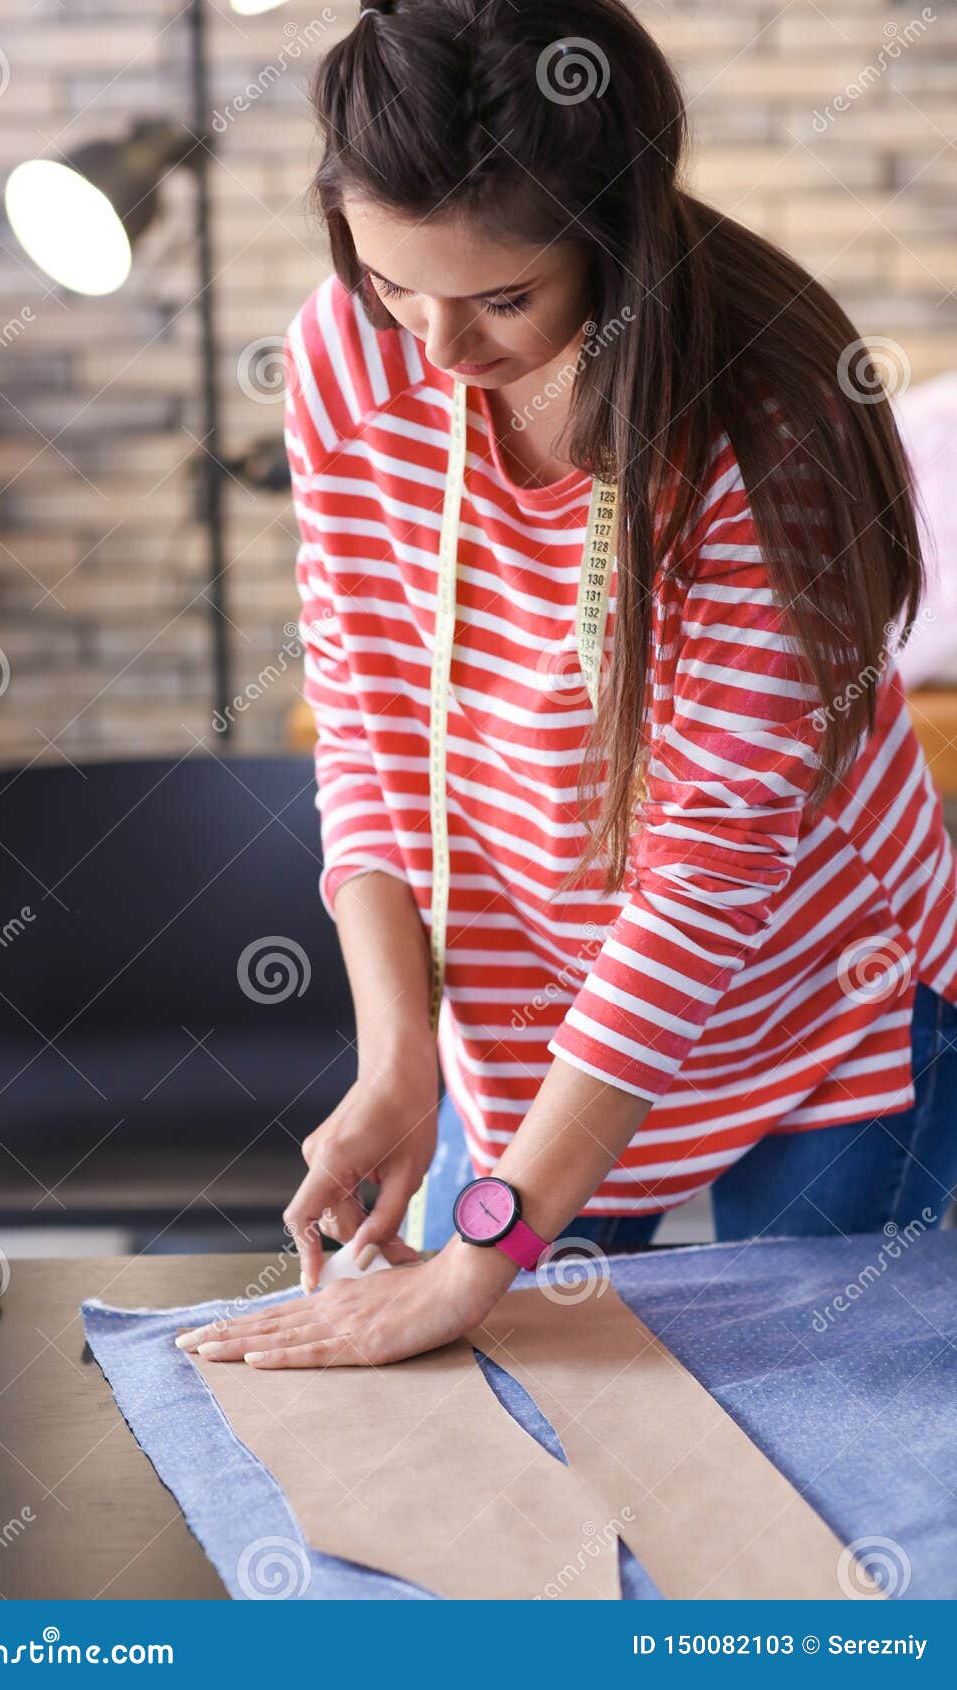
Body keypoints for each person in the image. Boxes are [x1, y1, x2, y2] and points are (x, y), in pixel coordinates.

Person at [175, 0, 957, 1371]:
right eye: (389, 280)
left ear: (617, 239)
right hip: (531, 1006)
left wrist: (477, 1257)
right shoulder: (346, 352)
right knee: (519, 1412)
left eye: (502, 298)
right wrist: (396, 1056)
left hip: (823, 995)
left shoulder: (763, 434)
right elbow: (364, 728)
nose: (435, 348)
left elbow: (707, 871)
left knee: (835, 1428)